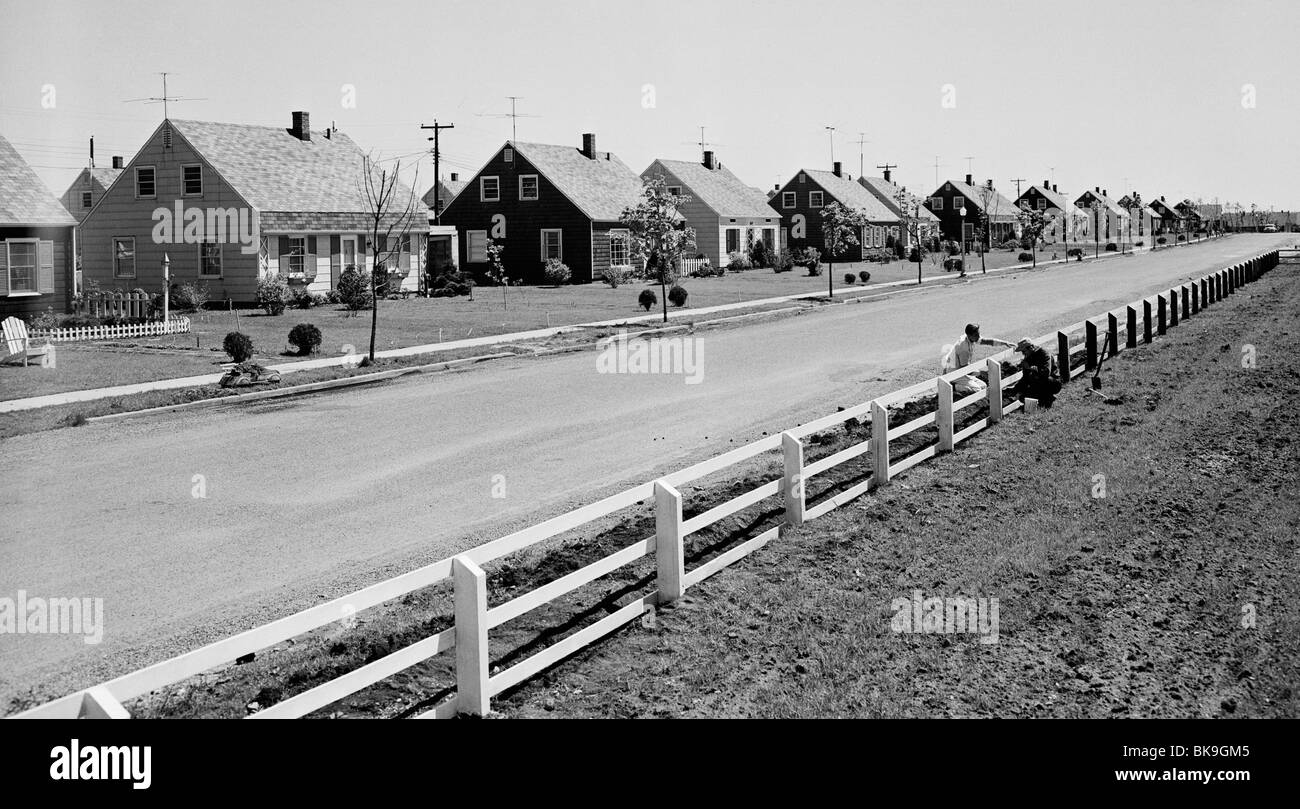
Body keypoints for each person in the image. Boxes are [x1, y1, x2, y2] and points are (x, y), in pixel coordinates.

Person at [942, 323, 1015, 395]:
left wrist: (1005, 343)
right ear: (969, 335)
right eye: (976, 335)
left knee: (983, 386)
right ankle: (952, 387)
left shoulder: (970, 338)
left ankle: (958, 386)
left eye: (978, 334)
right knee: (977, 390)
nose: (979, 337)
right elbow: (965, 369)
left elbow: (986, 341)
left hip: (960, 371)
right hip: (955, 374)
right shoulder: (964, 348)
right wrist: (982, 373)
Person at [1012, 337, 1062, 408]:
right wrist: (1015, 389)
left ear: (1031, 348)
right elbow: (1025, 378)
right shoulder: (1028, 358)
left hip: (1053, 382)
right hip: (1038, 381)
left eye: (1024, 351)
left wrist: (1031, 368)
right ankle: (1046, 399)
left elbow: (1046, 373)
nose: (1023, 354)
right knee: (1023, 397)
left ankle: (1046, 398)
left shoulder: (1044, 354)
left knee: (1043, 380)